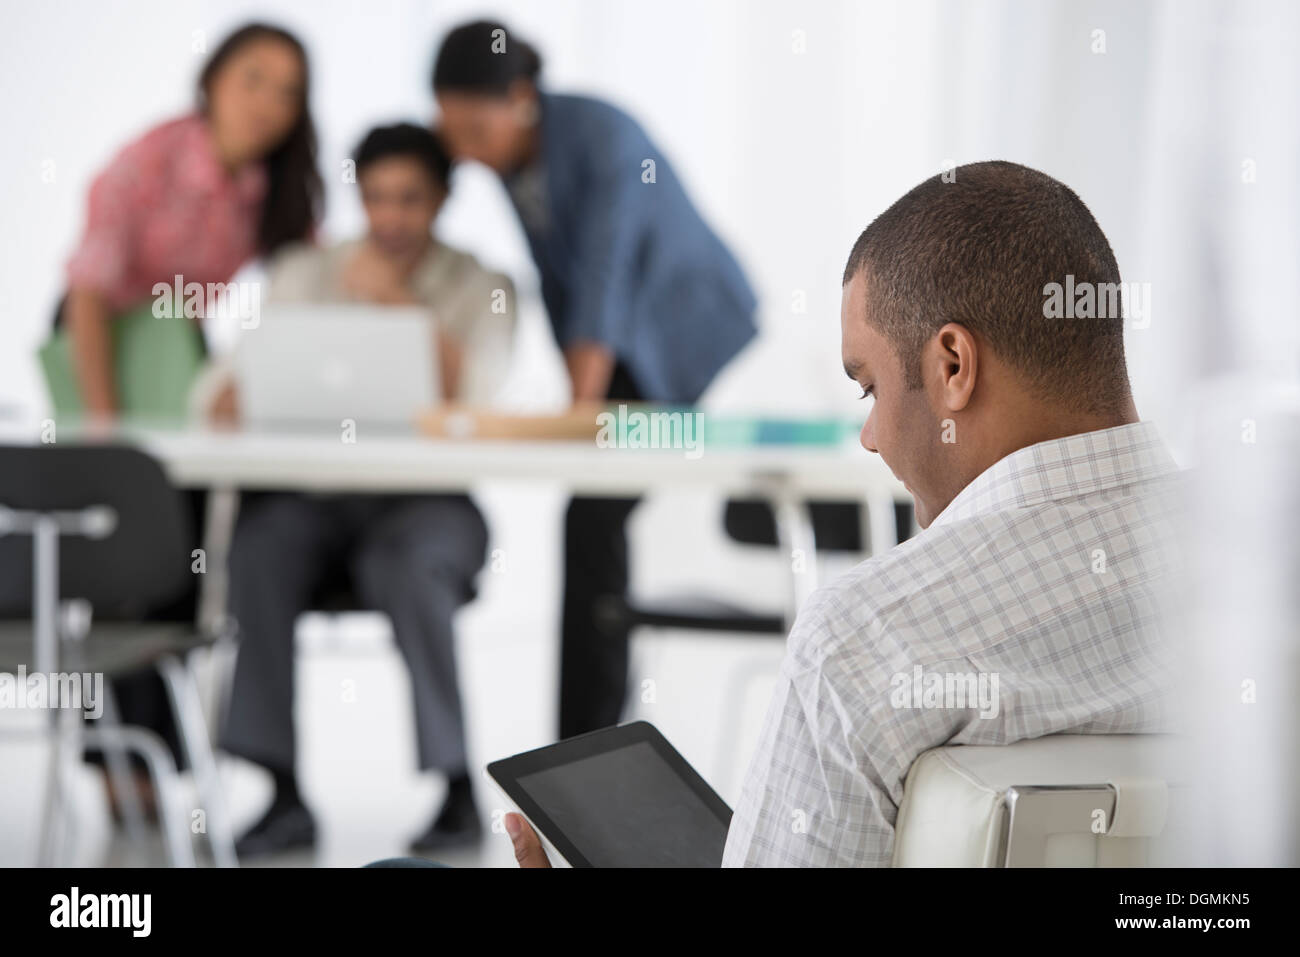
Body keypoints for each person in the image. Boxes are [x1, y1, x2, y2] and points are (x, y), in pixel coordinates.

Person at [500, 161, 1186, 867]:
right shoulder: (1269, 567)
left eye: (868, 389)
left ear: (953, 365)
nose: (872, 435)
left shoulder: (868, 636)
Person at [431, 20, 759, 740]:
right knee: (593, 520)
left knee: (592, 513)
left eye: (474, 128)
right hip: (624, 348)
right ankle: (587, 744)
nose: (465, 149)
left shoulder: (605, 137)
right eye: (450, 130)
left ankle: (586, 746)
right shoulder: (515, 159)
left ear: (520, 97)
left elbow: (604, 280)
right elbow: (563, 283)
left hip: (693, 331)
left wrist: (579, 410)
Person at [214, 123, 516, 857]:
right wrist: (234, 392)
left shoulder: (486, 287)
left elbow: (477, 402)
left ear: (442, 198)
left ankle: (453, 788)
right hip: (311, 499)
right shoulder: (302, 272)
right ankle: (280, 790)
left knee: (411, 564)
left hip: (426, 502)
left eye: (410, 199)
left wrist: (401, 308)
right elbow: (225, 388)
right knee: (256, 548)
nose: (391, 217)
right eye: (376, 197)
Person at [57, 22, 322, 814]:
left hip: (181, 343)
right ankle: (110, 764)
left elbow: (300, 292)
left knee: (185, 554)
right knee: (116, 557)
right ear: (212, 79)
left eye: (289, 89)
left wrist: (252, 377)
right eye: (255, 79)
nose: (270, 103)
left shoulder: (278, 184)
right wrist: (108, 426)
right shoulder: (150, 160)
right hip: (101, 335)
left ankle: (160, 760)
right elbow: (87, 293)